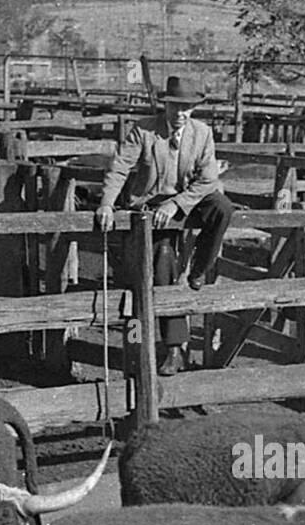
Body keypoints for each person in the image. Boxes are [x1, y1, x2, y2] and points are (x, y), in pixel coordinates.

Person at [95, 76, 234, 375]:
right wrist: (107, 202)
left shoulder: (202, 133)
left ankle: (199, 269)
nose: (180, 113)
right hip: (153, 205)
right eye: (174, 106)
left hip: (187, 200)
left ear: (194, 109)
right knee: (163, 263)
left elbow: (209, 179)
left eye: (187, 108)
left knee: (222, 208)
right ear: (165, 105)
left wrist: (178, 204)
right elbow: (120, 167)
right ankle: (174, 349)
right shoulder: (144, 130)